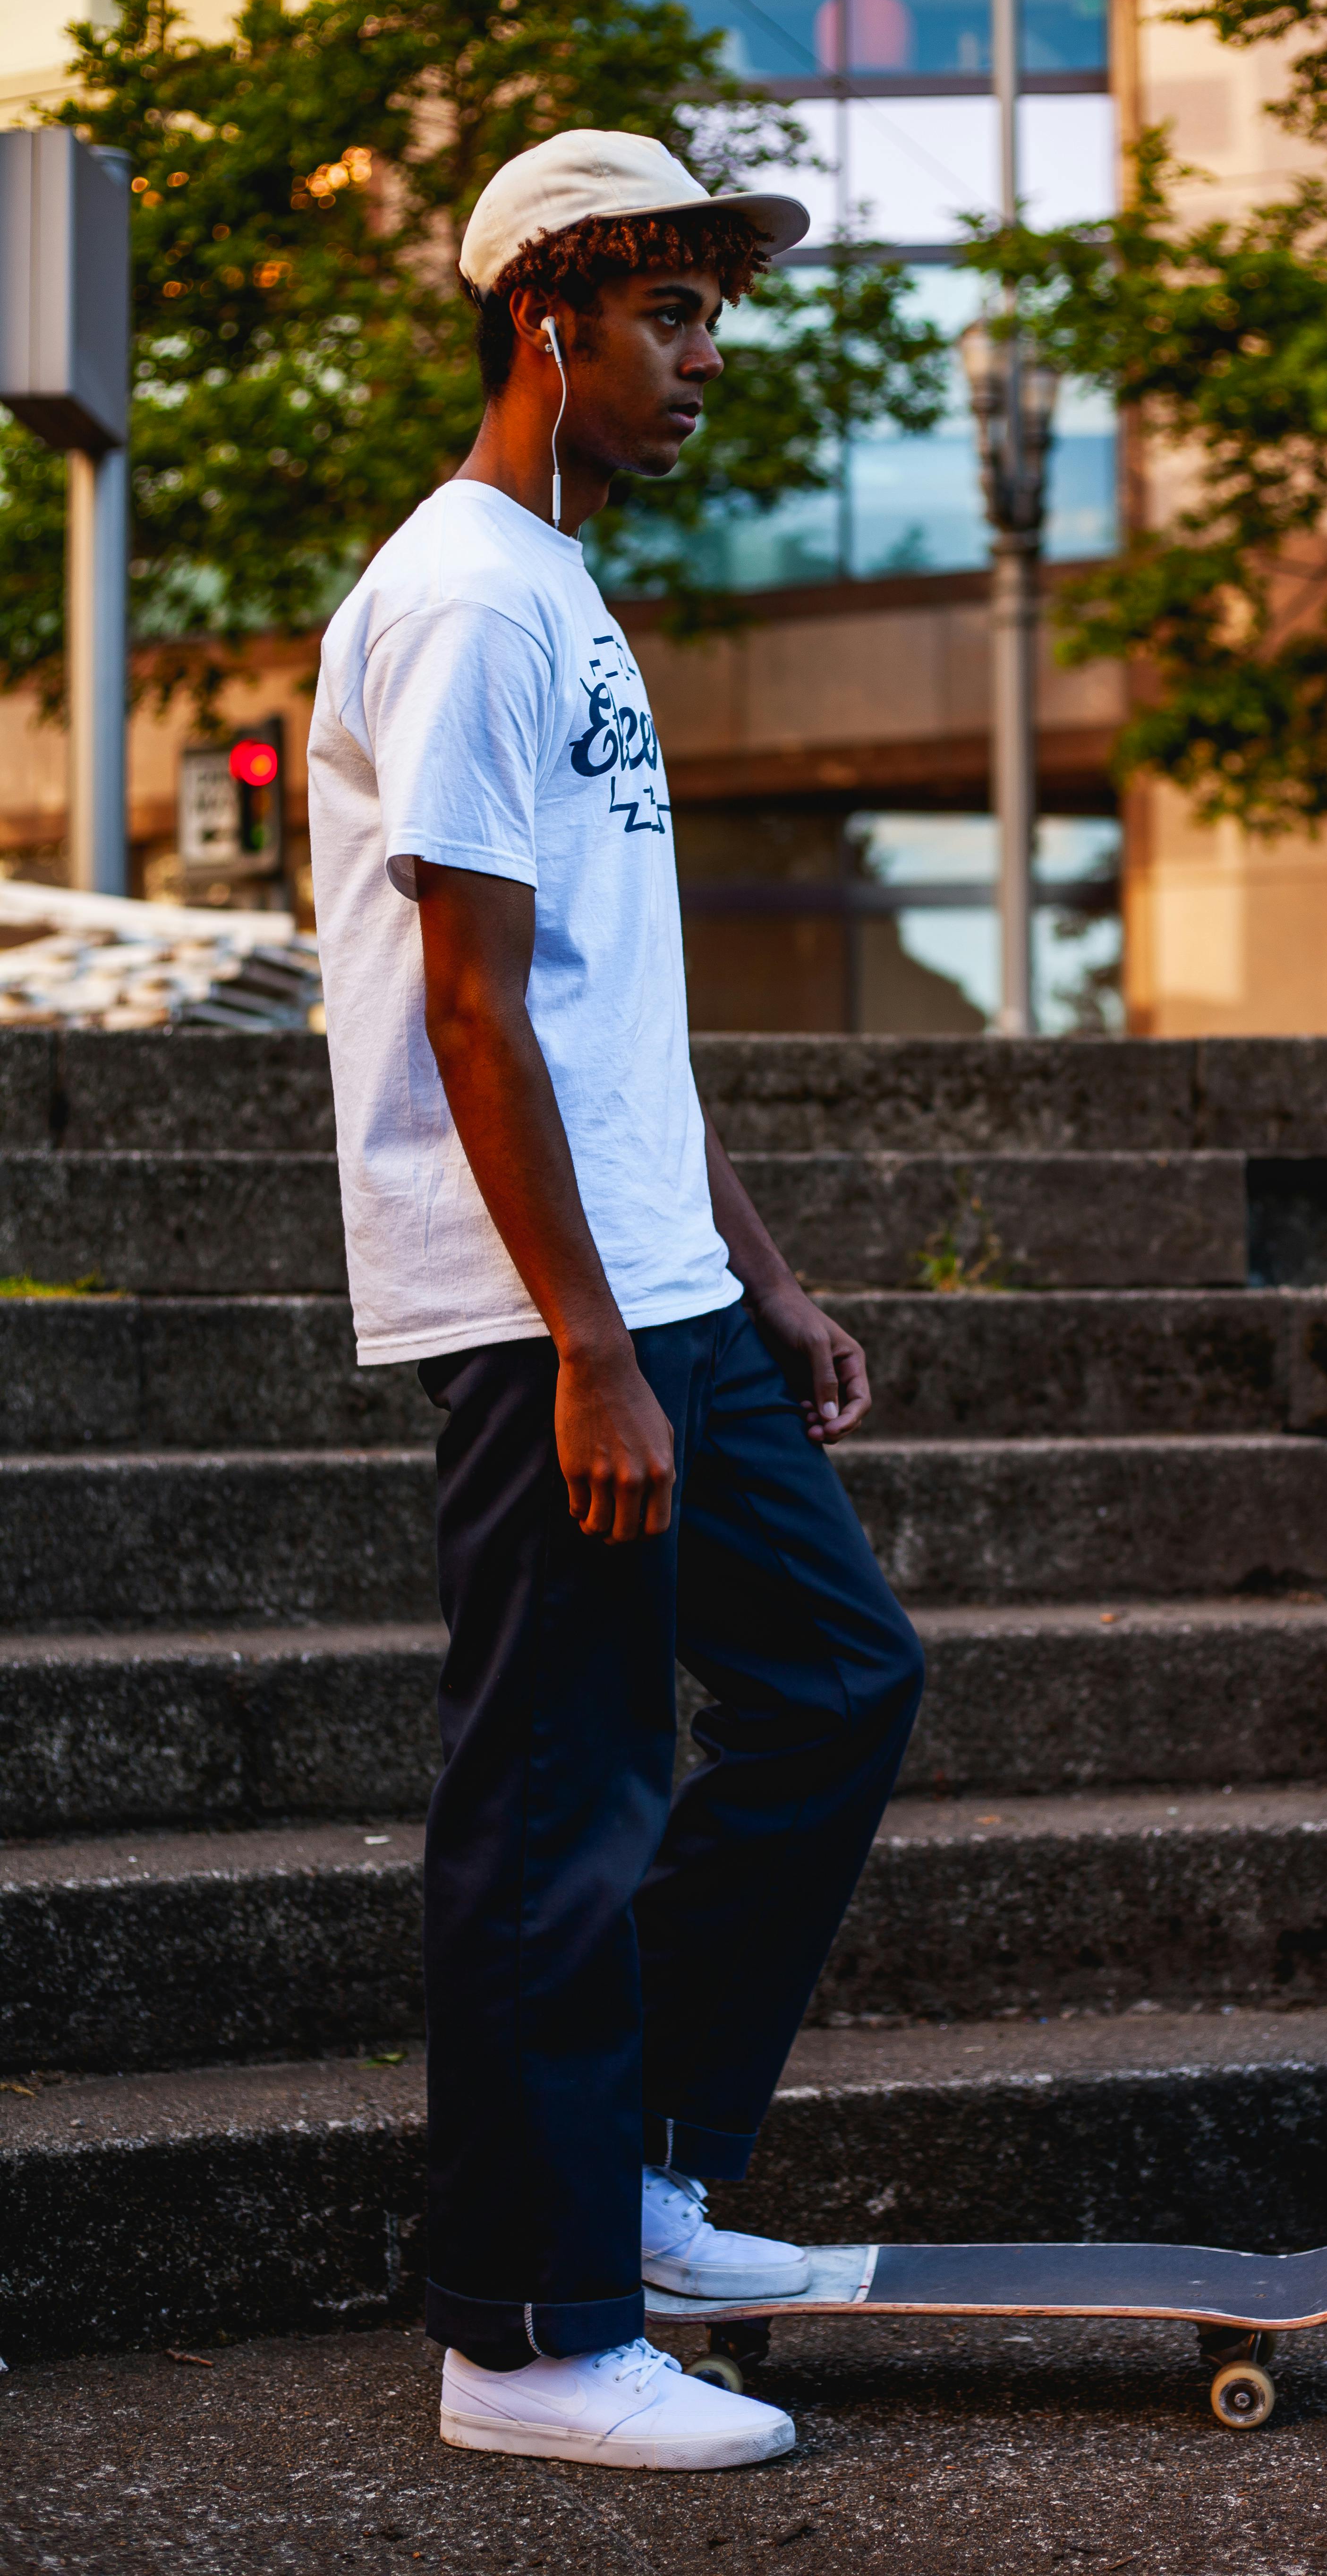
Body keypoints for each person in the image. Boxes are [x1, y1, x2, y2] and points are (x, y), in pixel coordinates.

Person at [306, 130, 925, 2474]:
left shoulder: (565, 594)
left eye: (715, 319)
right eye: (670, 317)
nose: (706, 362)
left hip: (657, 1278)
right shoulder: (464, 596)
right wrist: (582, 1338)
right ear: (549, 313)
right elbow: (469, 1009)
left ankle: (643, 2193)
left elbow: (603, 1009)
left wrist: (753, 1280)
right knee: (559, 1799)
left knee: (840, 1684)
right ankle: (527, 2334)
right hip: (533, 1304)